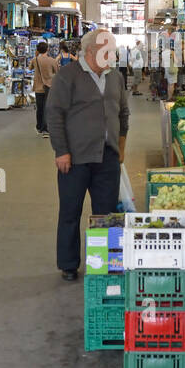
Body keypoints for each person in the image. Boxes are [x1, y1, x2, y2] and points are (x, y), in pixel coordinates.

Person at [46, 29, 130, 281]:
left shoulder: (115, 77)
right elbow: (54, 114)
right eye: (108, 49)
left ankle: (107, 263)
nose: (112, 54)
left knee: (107, 214)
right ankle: (69, 264)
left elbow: (123, 114)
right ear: (91, 51)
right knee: (70, 212)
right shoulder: (68, 75)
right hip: (75, 157)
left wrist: (121, 147)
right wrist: (61, 151)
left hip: (108, 157)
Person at [29, 40, 59, 137]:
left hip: (38, 87)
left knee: (40, 108)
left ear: (37, 50)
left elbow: (30, 68)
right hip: (49, 87)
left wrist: (36, 55)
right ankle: (46, 128)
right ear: (47, 49)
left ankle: (39, 127)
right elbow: (57, 72)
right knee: (48, 108)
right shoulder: (52, 60)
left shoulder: (35, 60)